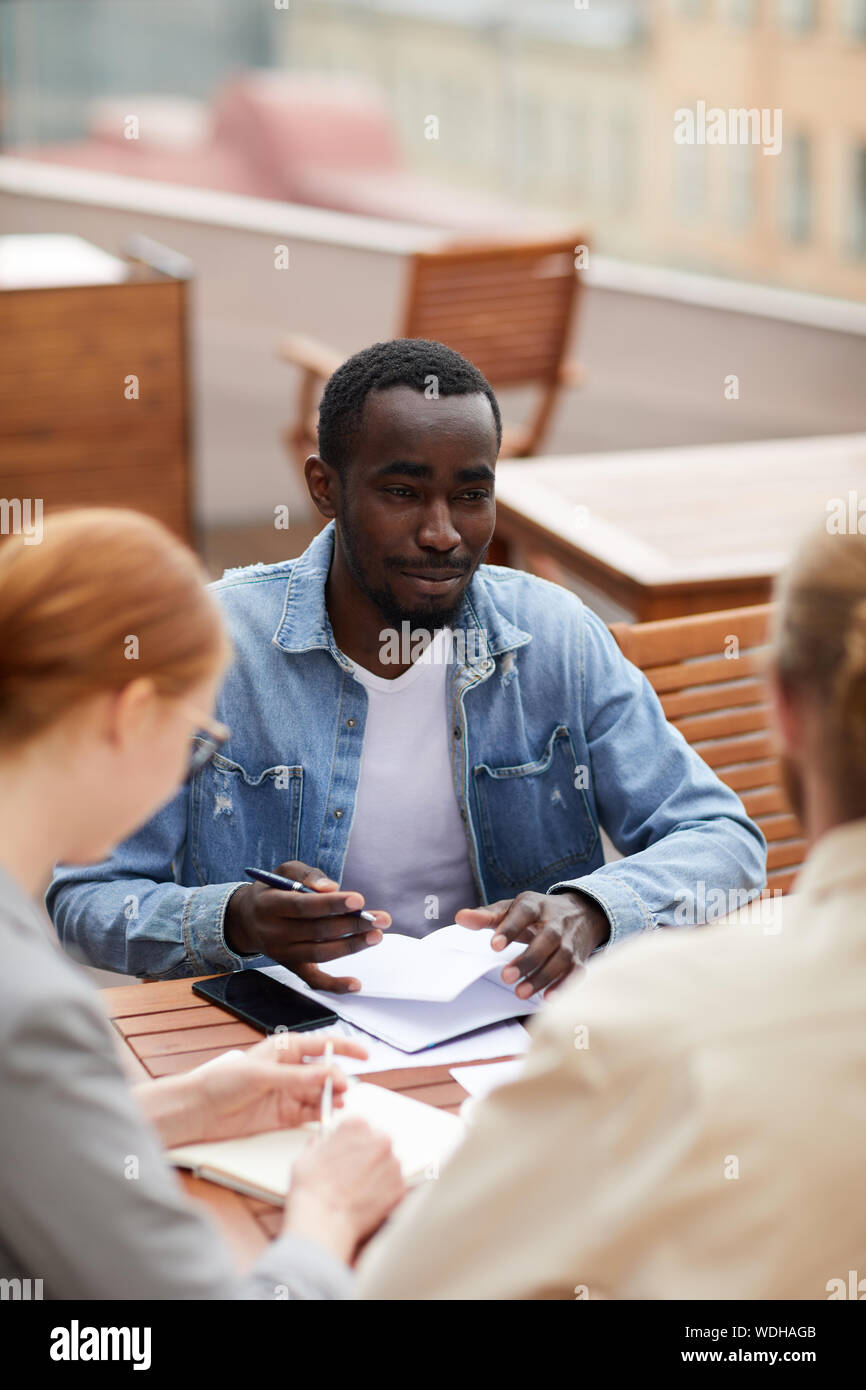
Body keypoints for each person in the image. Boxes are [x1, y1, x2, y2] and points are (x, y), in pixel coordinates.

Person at [48, 339, 765, 999]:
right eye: (402, 493)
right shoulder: (212, 650)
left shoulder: (556, 637)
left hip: (510, 1034)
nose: (442, 534)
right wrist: (233, 919)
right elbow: (86, 897)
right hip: (285, 1042)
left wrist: (591, 908)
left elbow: (724, 841)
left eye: (470, 495)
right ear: (325, 488)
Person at [355, 521, 866, 1300]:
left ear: (784, 709)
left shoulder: (655, 1021)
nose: (437, 531)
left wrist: (322, 1216)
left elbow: (408, 1288)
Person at [0, 508, 403, 1299]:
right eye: (194, 740)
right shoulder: (30, 1011)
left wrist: (181, 1106)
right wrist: (327, 1212)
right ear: (133, 714)